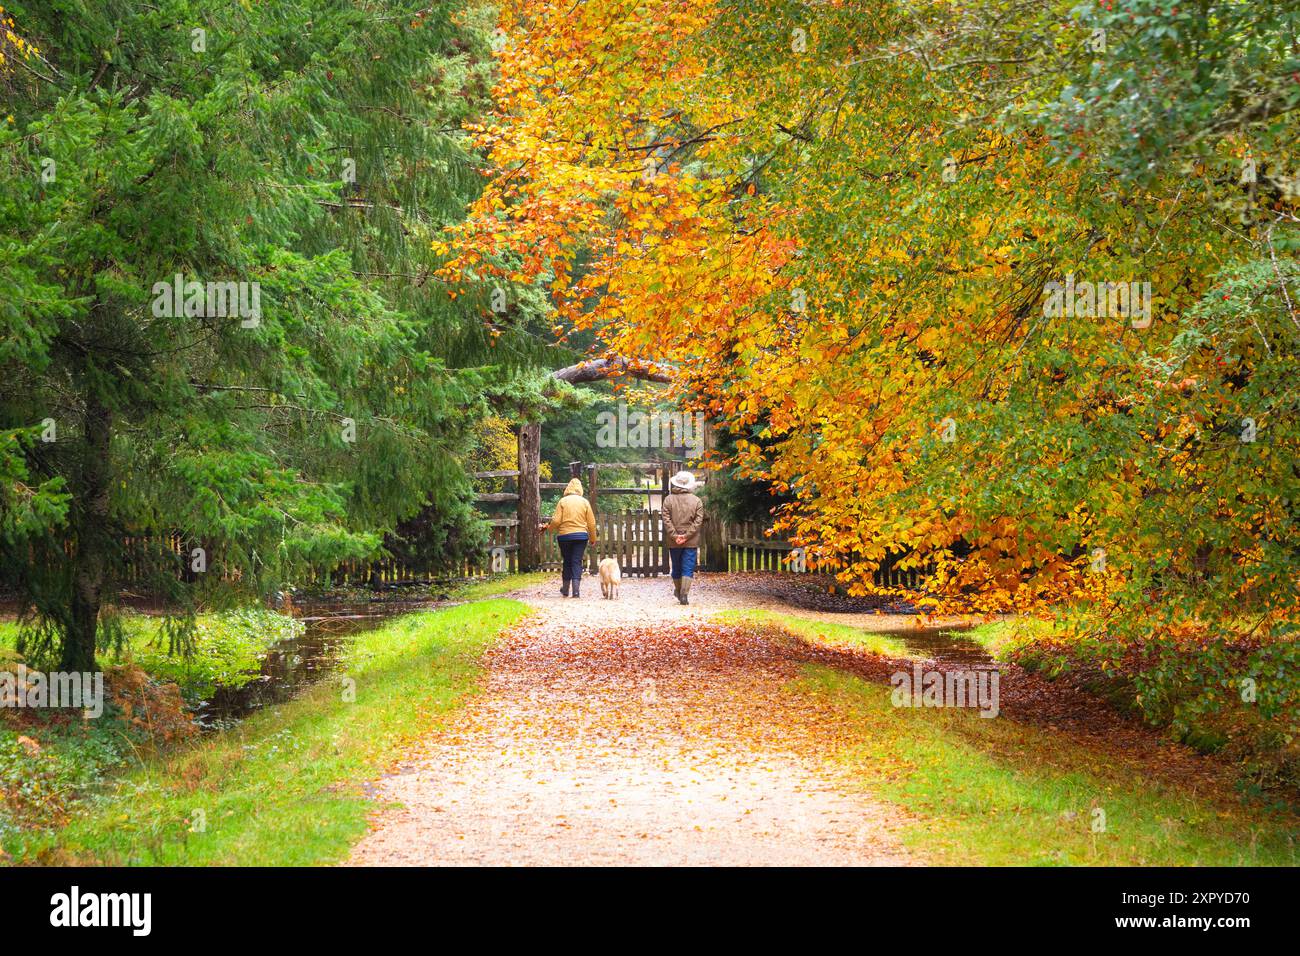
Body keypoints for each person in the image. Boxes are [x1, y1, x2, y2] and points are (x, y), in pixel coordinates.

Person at [542, 477, 597, 598]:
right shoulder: (585, 502)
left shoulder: (562, 501)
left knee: (567, 561)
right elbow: (591, 523)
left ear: (568, 488)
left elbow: (556, 521)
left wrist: (550, 530)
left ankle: (565, 589)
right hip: (581, 536)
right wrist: (593, 538)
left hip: (564, 537)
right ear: (580, 489)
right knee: (576, 561)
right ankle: (576, 591)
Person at [661, 470, 703, 605]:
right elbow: (698, 521)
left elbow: (666, 520)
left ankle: (678, 591)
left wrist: (675, 536)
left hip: (674, 542)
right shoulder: (697, 501)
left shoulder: (668, 500)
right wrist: (687, 536)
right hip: (691, 541)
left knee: (677, 566)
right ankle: (684, 594)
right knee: (688, 567)